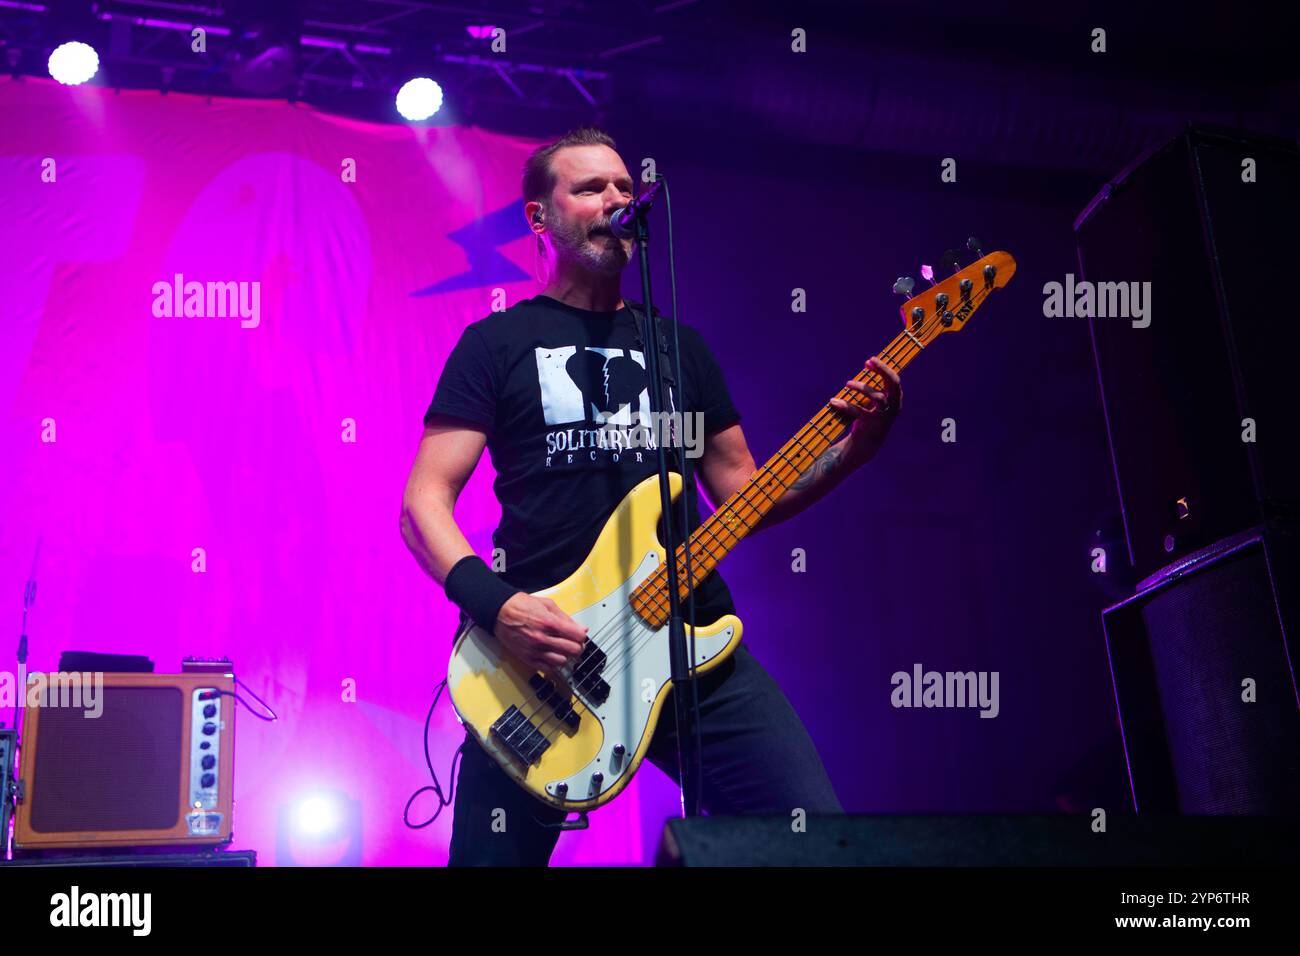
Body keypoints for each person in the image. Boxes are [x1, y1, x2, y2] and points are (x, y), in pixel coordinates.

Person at [399, 126, 901, 866]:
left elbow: (744, 494)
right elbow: (423, 505)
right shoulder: (496, 344)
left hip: (691, 641)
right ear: (541, 218)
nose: (616, 200)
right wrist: (497, 605)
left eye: (626, 188)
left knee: (813, 839)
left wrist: (857, 448)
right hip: (546, 659)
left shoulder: (680, 349)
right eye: (591, 187)